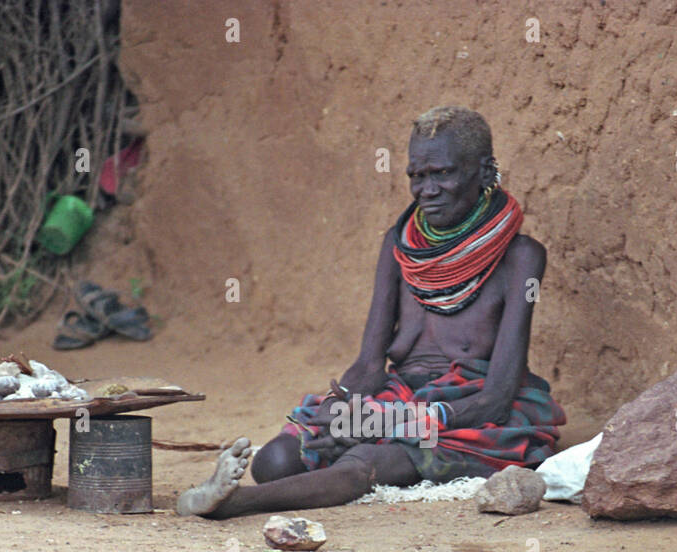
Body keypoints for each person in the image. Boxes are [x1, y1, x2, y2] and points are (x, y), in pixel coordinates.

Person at [177, 105, 566, 519]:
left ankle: (230, 505)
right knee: (275, 461)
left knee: (360, 461)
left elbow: (497, 398)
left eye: (443, 174)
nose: (427, 189)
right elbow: (368, 364)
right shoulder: (399, 246)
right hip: (394, 397)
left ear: (486, 173)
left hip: (466, 415)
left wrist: (380, 426)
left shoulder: (521, 258)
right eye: (417, 176)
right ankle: (287, 474)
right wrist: (342, 411)